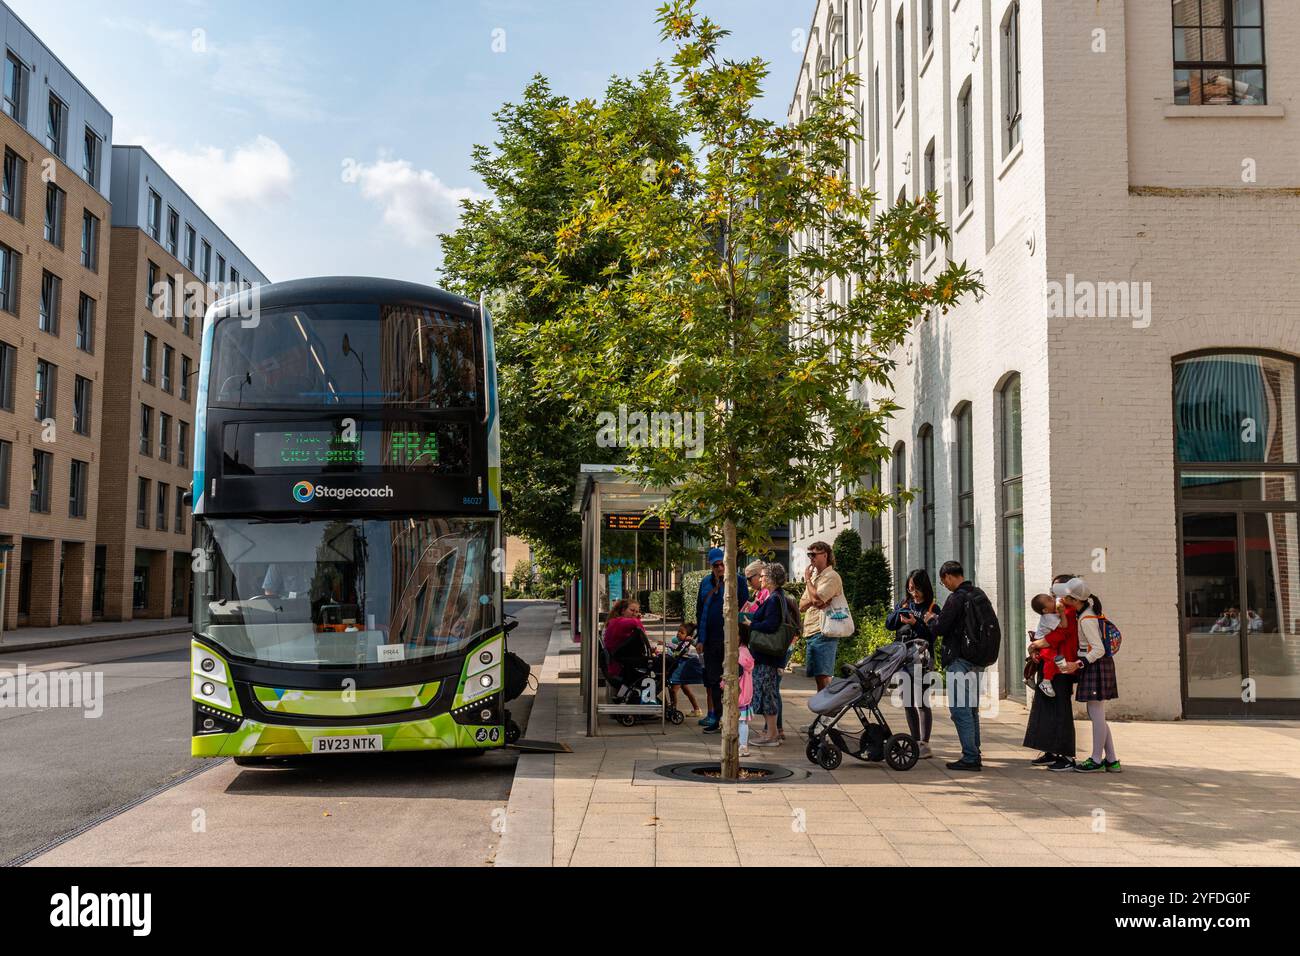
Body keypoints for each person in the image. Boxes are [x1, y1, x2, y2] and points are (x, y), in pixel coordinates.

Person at [1055, 577, 1122, 773]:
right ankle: (1111, 759)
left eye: (1066, 596)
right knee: (1097, 714)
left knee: (1096, 714)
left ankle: (1095, 759)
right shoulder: (1088, 613)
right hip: (1098, 666)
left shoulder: (1086, 619)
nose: (1062, 598)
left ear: (1074, 600)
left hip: (1095, 665)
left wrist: (1078, 663)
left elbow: (1098, 649)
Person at [925, 560, 984, 771]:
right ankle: (974, 751)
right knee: (972, 709)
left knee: (960, 709)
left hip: (959, 659)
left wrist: (932, 619)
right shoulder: (978, 594)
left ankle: (970, 756)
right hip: (977, 659)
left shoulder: (956, 598)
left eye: (944, 582)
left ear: (949, 577)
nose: (946, 586)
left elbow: (941, 628)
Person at [1023, 574, 1082, 771]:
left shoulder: (1070, 610)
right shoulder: (1059, 610)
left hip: (1062, 665)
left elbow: (1062, 633)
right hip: (1051, 663)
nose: (1055, 596)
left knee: (1060, 709)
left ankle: (1066, 756)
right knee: (1045, 706)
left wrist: (1037, 644)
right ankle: (1050, 749)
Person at [885, 569, 938, 759]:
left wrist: (916, 623)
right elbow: (889, 624)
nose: (914, 593)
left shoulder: (932, 608)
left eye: (916, 589)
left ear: (925, 588)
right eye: (910, 589)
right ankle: (915, 741)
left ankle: (925, 743)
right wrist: (899, 612)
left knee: (922, 701)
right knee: (907, 701)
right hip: (903, 658)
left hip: (922, 660)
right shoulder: (905, 603)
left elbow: (932, 636)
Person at [695, 547, 748, 734]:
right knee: (714, 681)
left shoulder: (738, 581)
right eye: (716, 565)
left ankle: (733, 718)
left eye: (722, 564)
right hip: (711, 641)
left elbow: (744, 610)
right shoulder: (706, 583)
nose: (719, 568)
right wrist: (700, 639)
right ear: (711, 566)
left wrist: (743, 640)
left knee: (733, 680)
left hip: (731, 641)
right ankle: (717, 718)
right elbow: (700, 612)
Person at [748, 563, 799, 747]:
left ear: (770, 578)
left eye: (762, 576)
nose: (760, 579)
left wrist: (751, 624)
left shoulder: (774, 600)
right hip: (768, 656)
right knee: (767, 691)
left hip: (768, 656)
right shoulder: (776, 598)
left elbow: (770, 625)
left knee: (768, 692)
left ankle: (771, 734)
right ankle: (772, 732)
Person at [799, 541, 844, 692]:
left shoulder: (831, 576)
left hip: (824, 630)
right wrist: (814, 597)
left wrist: (807, 581)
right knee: (818, 677)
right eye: (809, 554)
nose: (811, 558)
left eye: (814, 554)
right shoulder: (816, 579)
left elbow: (817, 600)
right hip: (812, 631)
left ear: (825, 555)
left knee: (824, 676)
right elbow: (801, 606)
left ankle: (828, 712)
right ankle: (824, 712)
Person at [1028, 593, 1067, 698]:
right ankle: (1046, 682)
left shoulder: (1051, 612)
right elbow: (1064, 625)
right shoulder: (1048, 617)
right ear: (1045, 610)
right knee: (1051, 659)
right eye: (1050, 600)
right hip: (1043, 642)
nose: (1053, 600)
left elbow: (1059, 598)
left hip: (1043, 641)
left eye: (1052, 598)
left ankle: (1030, 676)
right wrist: (1063, 613)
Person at [667, 622, 704, 716]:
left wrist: (667, 644)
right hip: (681, 668)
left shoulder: (686, 643)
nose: (678, 633)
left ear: (688, 636)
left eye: (682, 632)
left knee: (673, 689)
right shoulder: (679, 642)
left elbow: (678, 650)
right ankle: (697, 709)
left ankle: (673, 709)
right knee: (686, 690)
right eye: (678, 631)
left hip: (682, 669)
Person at [737, 629, 755, 757]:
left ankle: (743, 746)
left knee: (741, 721)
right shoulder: (745, 651)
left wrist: (723, 684)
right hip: (745, 692)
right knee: (742, 721)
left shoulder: (738, 653)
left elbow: (736, 674)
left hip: (738, 692)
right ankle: (742, 745)